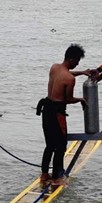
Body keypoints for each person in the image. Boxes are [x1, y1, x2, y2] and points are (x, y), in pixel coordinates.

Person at [38, 44, 87, 187]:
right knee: (60, 146)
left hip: (46, 109)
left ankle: (44, 174)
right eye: (77, 61)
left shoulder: (54, 68)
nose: (77, 63)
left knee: (49, 145)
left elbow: (65, 73)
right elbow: (68, 99)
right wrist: (81, 100)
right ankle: (56, 178)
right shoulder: (70, 79)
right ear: (72, 59)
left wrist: (83, 72)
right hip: (57, 113)